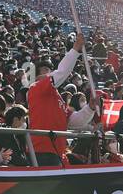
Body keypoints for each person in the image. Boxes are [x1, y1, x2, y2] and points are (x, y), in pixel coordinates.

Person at [26, 34, 84, 166]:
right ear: (36, 76)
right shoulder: (35, 88)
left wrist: (90, 108)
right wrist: (75, 49)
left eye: (49, 70)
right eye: (45, 70)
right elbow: (61, 72)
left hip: (58, 151)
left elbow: (73, 121)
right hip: (42, 150)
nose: (49, 73)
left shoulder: (57, 96)